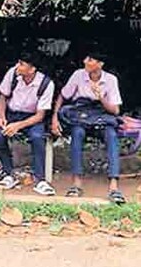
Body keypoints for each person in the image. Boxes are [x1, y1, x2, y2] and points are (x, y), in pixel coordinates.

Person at [52, 51, 125, 204]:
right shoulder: (79, 75)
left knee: (111, 135)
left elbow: (115, 111)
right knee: (77, 133)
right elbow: (63, 96)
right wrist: (54, 118)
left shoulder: (111, 80)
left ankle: (114, 186)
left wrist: (101, 98)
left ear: (100, 64)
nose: (85, 61)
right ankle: (76, 183)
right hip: (81, 115)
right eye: (86, 58)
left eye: (90, 59)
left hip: (101, 115)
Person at [0, 54, 56, 196]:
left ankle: (40, 179)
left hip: (32, 118)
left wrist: (17, 126)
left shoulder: (46, 84)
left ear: (32, 69)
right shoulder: (13, 74)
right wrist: (2, 117)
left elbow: (40, 115)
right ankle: (8, 173)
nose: (17, 66)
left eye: (22, 64)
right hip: (12, 113)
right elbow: (3, 96)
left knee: (37, 137)